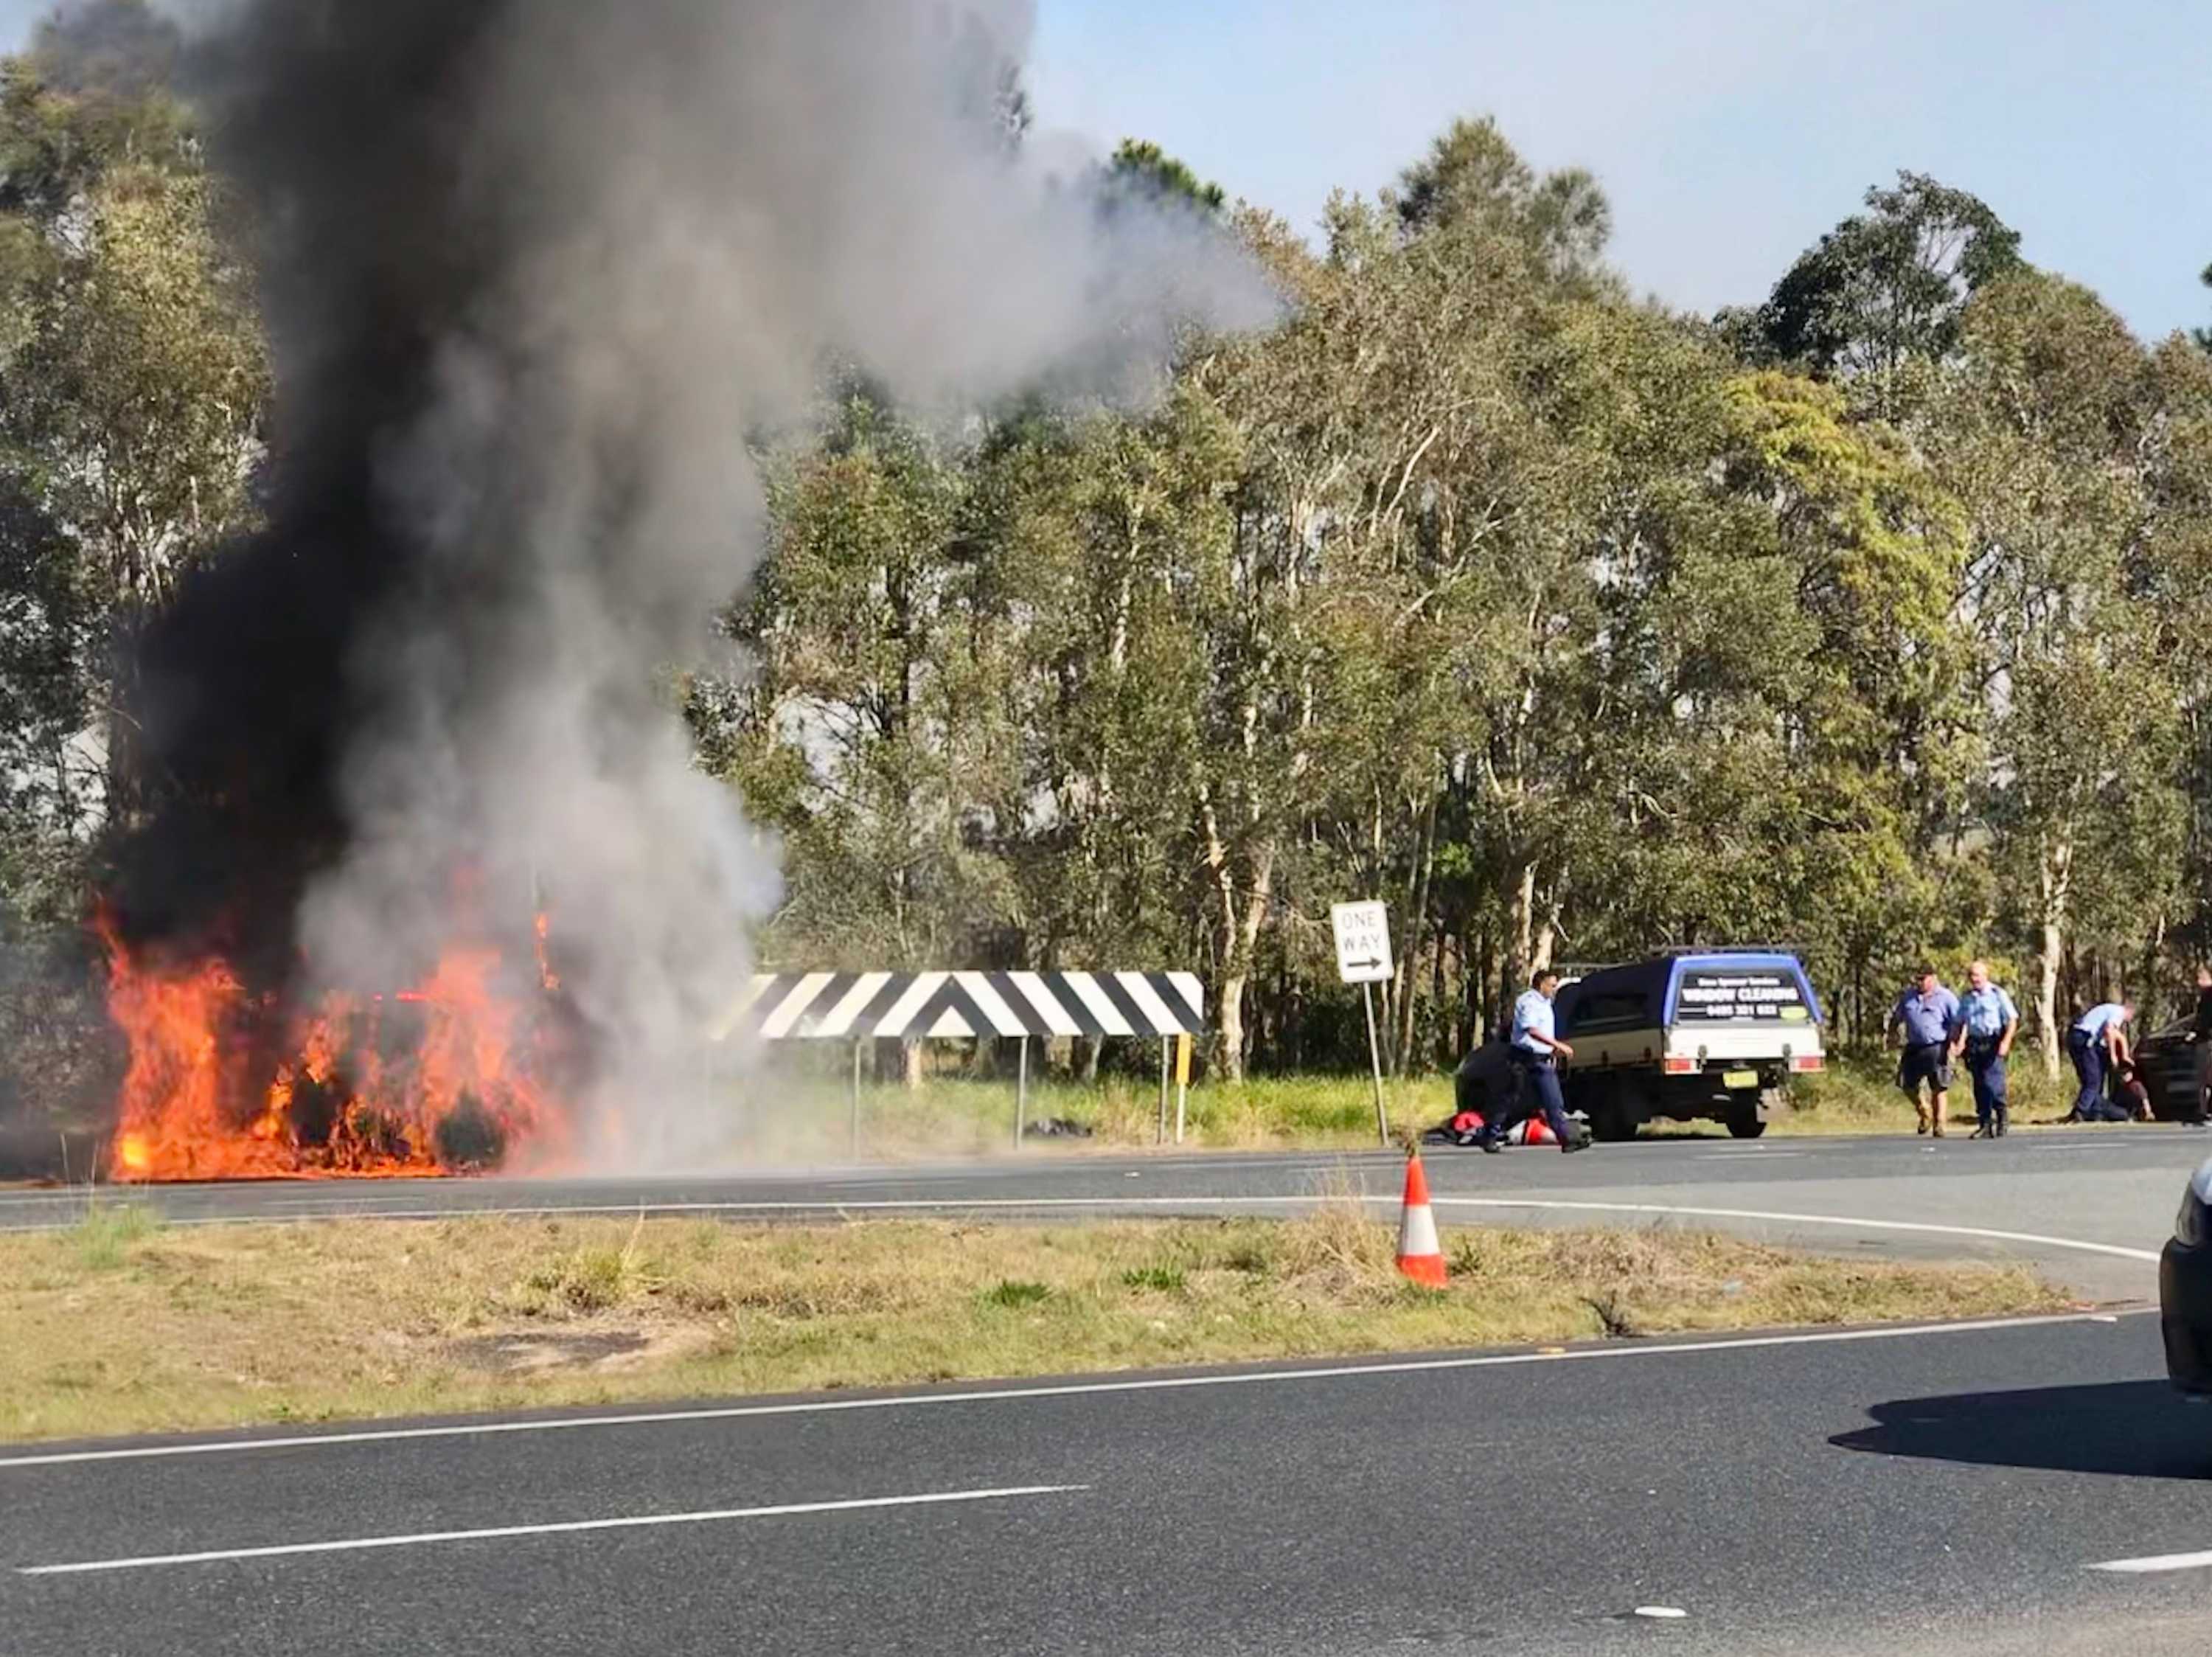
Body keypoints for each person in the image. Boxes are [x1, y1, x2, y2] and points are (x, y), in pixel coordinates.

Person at [1479, 968, 1590, 1154]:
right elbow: (1531, 1030)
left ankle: (1567, 1139)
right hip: (1522, 1058)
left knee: (1553, 1100)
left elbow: (1543, 1031)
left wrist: (1552, 1050)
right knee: (1509, 1098)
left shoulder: (1546, 1003)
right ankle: (1489, 1135)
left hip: (1541, 1060)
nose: (1554, 990)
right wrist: (1557, 1045)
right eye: (1552, 986)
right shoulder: (1529, 1001)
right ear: (1541, 984)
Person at [1890, 965, 1962, 1138]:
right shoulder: (1909, 997)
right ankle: (1924, 1111)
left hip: (1938, 1046)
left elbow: (1959, 1021)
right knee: (1906, 1084)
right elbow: (1897, 1017)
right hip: (1915, 1046)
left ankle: (1939, 1124)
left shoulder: (1946, 997)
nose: (1920, 983)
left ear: (1933, 978)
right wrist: (1892, 1035)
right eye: (1918, 979)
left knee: (1939, 1086)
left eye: (1923, 979)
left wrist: (1956, 1042)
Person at [1956, 961, 2019, 1139]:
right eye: (1971, 975)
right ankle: (1985, 1124)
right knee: (1980, 1085)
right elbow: (1960, 1022)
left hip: (1993, 1043)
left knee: (1994, 1083)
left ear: (1985, 975)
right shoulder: (1967, 997)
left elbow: (2012, 1020)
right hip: (1975, 1044)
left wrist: (2006, 1042)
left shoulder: (1997, 994)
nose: (1974, 979)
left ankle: (2002, 1116)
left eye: (1977, 975)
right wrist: (1957, 1043)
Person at [2066, 998, 2137, 1123]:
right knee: (2093, 1081)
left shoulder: (2109, 1009)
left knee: (2089, 1080)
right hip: (2084, 1039)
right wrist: (2113, 1055)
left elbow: (2119, 1037)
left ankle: (2093, 1112)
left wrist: (2125, 1056)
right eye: (2132, 1016)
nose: (2130, 1020)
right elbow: (2109, 1031)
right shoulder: (2118, 1012)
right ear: (2129, 1011)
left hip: (2075, 1037)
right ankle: (2080, 1111)